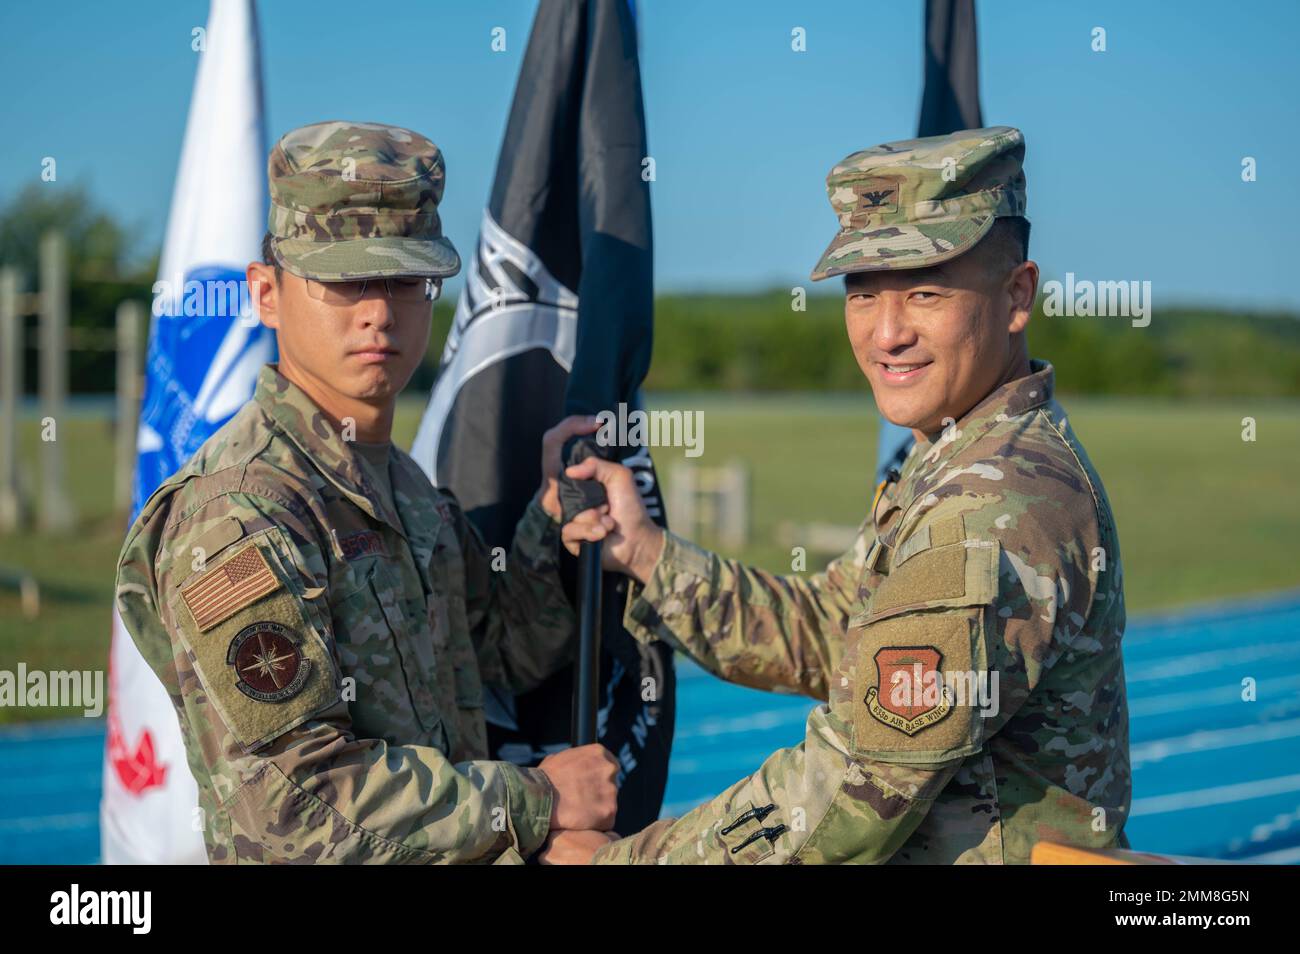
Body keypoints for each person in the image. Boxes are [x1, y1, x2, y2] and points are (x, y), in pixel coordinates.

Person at [562, 126, 1131, 864]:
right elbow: (839, 634)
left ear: (1017, 295)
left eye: (925, 290)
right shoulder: (955, 457)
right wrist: (647, 556)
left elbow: (855, 788)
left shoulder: (991, 508)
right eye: (863, 295)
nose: (887, 332)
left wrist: (623, 862)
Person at [115, 121, 616, 864]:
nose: (379, 311)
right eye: (345, 279)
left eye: (407, 279)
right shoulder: (239, 510)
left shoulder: (403, 486)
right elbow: (296, 807)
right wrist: (536, 800)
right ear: (268, 294)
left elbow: (503, 653)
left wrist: (552, 522)